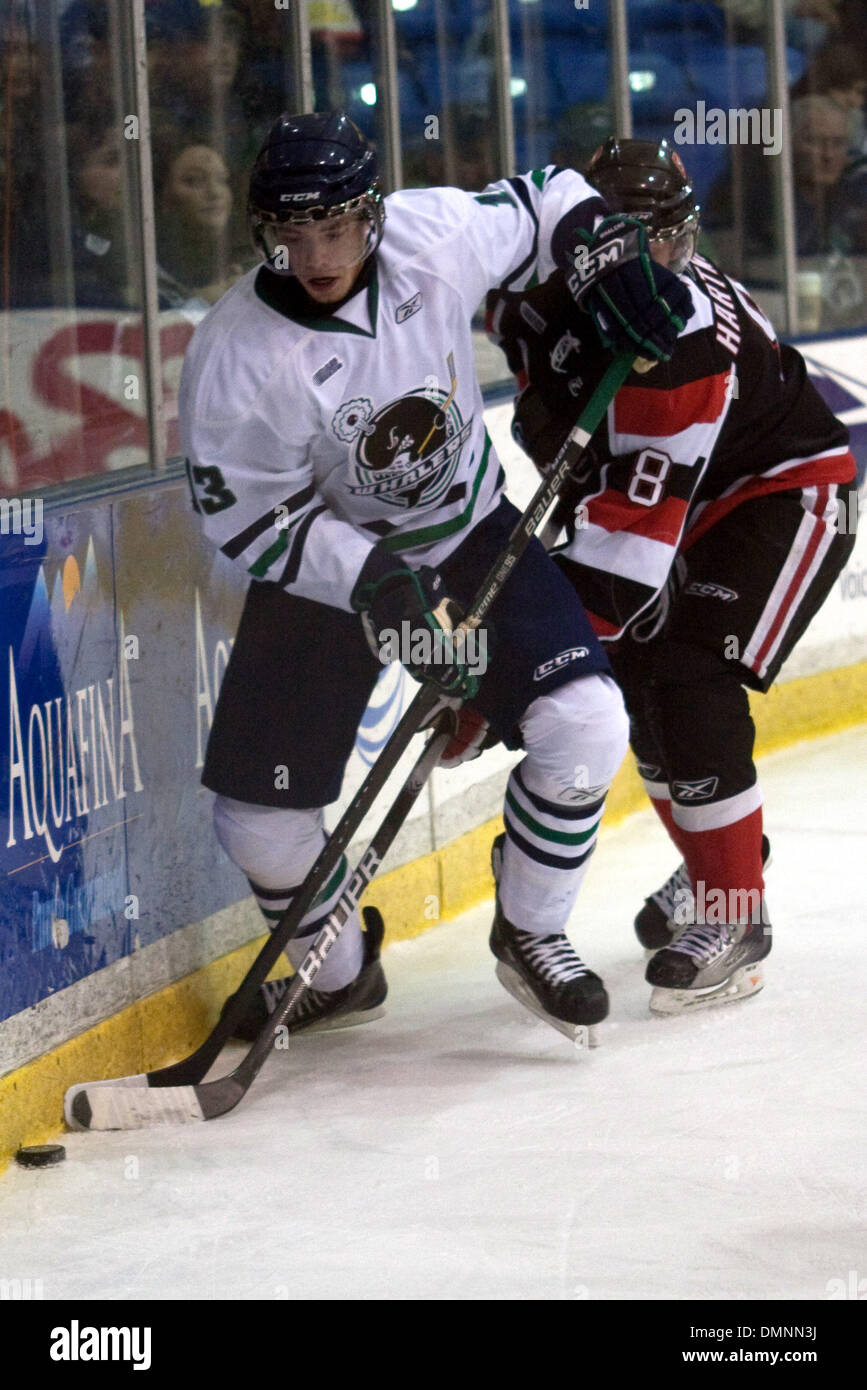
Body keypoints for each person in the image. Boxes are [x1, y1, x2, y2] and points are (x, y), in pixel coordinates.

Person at [179, 111, 693, 1045]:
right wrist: (375, 584)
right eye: (293, 236)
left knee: (584, 723)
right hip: (331, 577)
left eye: (335, 228)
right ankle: (337, 978)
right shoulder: (235, 354)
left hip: (472, 535)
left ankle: (531, 929)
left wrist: (606, 259)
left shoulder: (429, 234)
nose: (318, 255)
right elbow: (248, 517)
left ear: (371, 215)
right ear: (264, 235)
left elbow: (547, 202)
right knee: (257, 820)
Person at [486, 137, 858, 1014]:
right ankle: (714, 869)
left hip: (780, 493)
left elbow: (621, 570)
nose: (664, 266)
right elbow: (556, 429)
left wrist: (516, 665)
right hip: (678, 501)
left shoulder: (683, 347)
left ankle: (736, 909)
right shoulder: (530, 302)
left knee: (685, 675)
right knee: (640, 686)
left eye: (674, 239)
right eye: (637, 244)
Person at [152, 129, 245, 310]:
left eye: (221, 180)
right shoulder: (142, 269)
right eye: (194, 181)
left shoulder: (250, 260)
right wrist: (201, 301)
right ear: (162, 196)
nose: (214, 193)